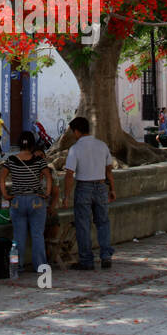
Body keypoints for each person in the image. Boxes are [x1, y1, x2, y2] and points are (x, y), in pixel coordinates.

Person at [0, 130, 56, 277]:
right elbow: (49, 177)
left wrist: (6, 194)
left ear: (19, 144)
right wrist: (47, 194)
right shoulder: (39, 160)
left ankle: (17, 267)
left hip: (17, 201)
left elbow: (2, 177)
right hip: (36, 201)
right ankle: (41, 267)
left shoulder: (11, 160)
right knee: (37, 235)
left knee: (18, 236)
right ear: (32, 145)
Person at [63, 116, 116, 271]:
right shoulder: (102, 146)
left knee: (83, 225)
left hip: (84, 187)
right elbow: (109, 170)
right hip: (100, 186)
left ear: (77, 131)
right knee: (103, 222)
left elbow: (69, 174)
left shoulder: (75, 149)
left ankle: (86, 260)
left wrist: (66, 196)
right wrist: (112, 188)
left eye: (73, 132)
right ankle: (106, 255)